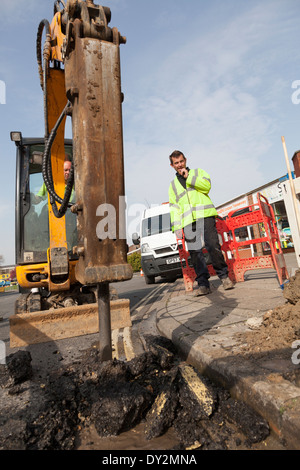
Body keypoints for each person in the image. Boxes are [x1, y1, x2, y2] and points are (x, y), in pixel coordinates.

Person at [168, 150, 234, 296]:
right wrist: (177, 226)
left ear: (185, 160)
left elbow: (207, 187)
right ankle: (203, 283)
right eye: (176, 163)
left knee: (212, 245)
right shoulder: (172, 186)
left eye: (181, 161)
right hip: (188, 222)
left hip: (205, 215)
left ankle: (224, 276)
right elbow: (174, 207)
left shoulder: (198, 173)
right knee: (195, 253)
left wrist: (189, 178)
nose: (180, 165)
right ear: (172, 165)